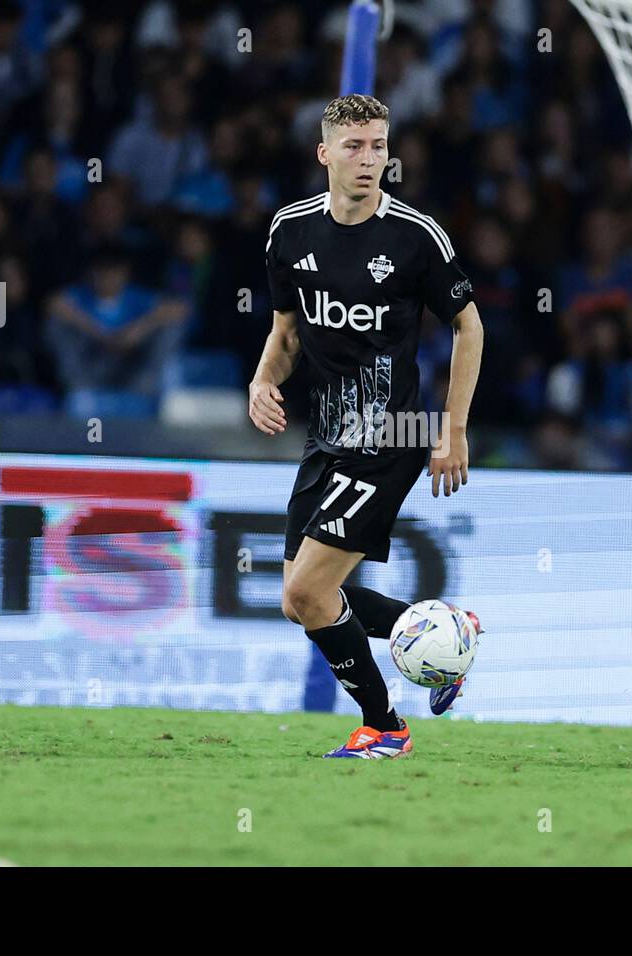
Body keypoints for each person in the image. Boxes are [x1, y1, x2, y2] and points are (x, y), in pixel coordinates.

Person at [250, 94, 485, 759]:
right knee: (300, 600)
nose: (369, 159)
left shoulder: (415, 235)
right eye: (354, 146)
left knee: (307, 590)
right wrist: (264, 379)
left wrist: (453, 428)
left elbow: (469, 326)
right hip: (327, 432)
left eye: (379, 146)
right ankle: (440, 631)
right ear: (324, 153)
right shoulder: (289, 232)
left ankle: (385, 727)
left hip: (392, 434)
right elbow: (286, 333)